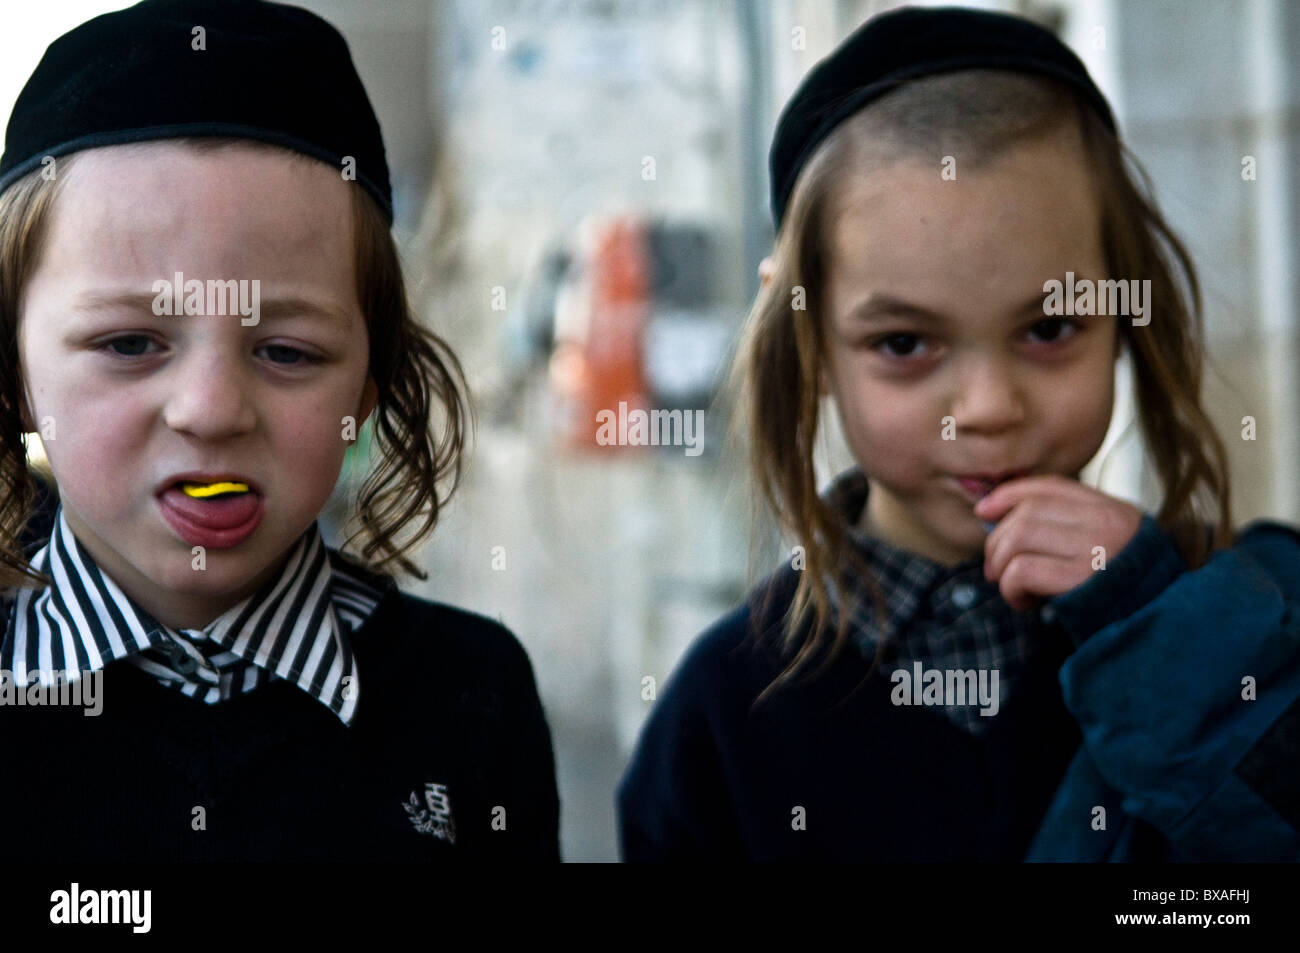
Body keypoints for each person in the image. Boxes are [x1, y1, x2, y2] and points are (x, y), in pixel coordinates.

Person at [617, 5, 1300, 861]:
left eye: (1050, 329)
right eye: (904, 344)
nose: (985, 407)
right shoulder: (721, 712)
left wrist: (1157, 625)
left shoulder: (1260, 611)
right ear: (808, 336)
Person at [0, 0, 559, 861]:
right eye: (129, 343)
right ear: (16, 376)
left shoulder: (469, 698)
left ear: (370, 386)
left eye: (288, 351)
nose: (214, 410)